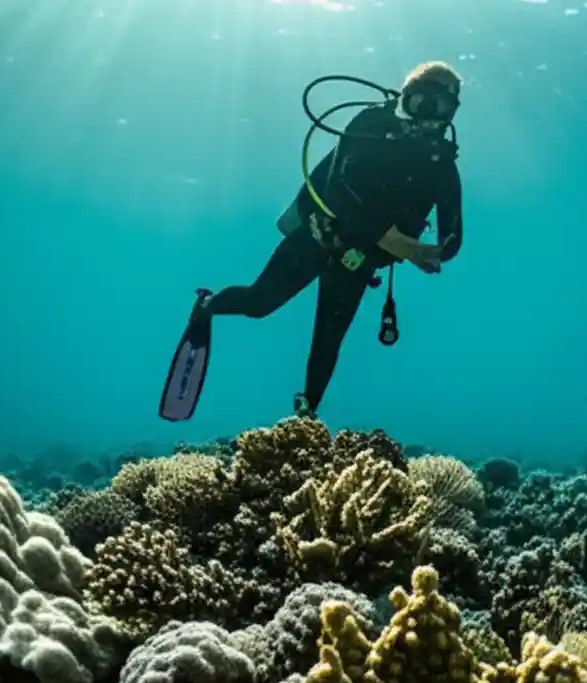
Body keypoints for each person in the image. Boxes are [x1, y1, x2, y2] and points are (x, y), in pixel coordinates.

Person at [158, 61, 464, 422]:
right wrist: (400, 244)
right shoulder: (369, 126)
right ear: (405, 99)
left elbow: (453, 236)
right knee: (259, 303)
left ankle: (306, 416)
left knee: (328, 343)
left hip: (358, 262)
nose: (429, 116)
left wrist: (435, 251)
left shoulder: (442, 167)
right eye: (421, 102)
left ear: (451, 114)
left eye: (441, 107)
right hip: (319, 238)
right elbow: (340, 190)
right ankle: (208, 305)